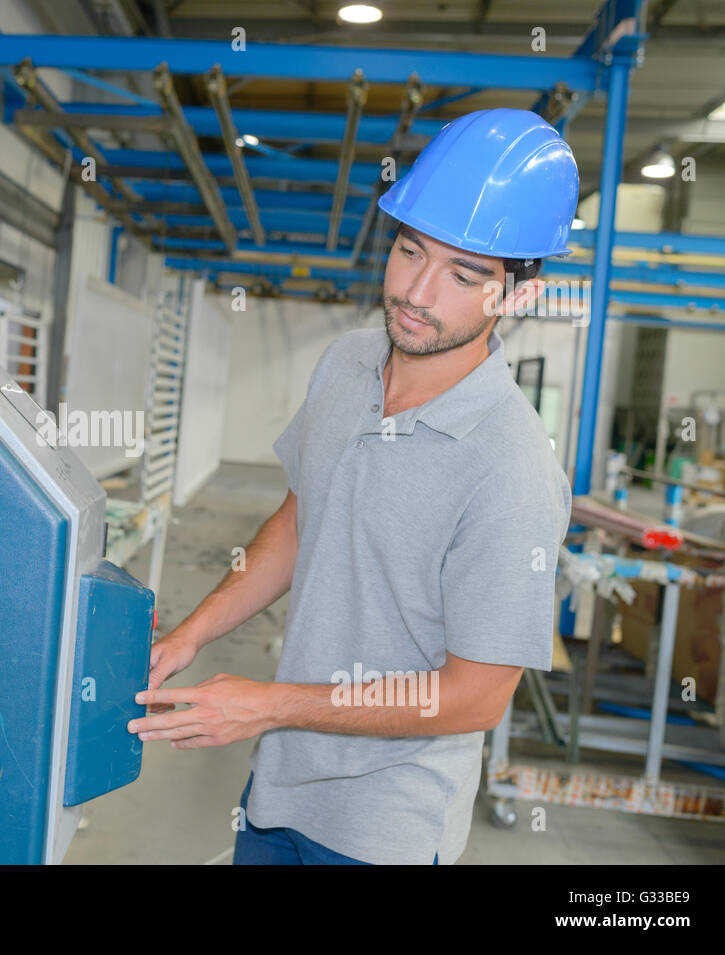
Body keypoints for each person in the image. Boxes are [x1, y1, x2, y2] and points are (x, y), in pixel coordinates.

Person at [127, 108, 577, 865]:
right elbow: (303, 520)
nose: (417, 290)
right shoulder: (346, 363)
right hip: (277, 789)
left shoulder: (513, 467)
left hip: (385, 828)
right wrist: (189, 635)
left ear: (517, 297)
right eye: (409, 251)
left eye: (464, 274)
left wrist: (270, 703)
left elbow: (476, 696)